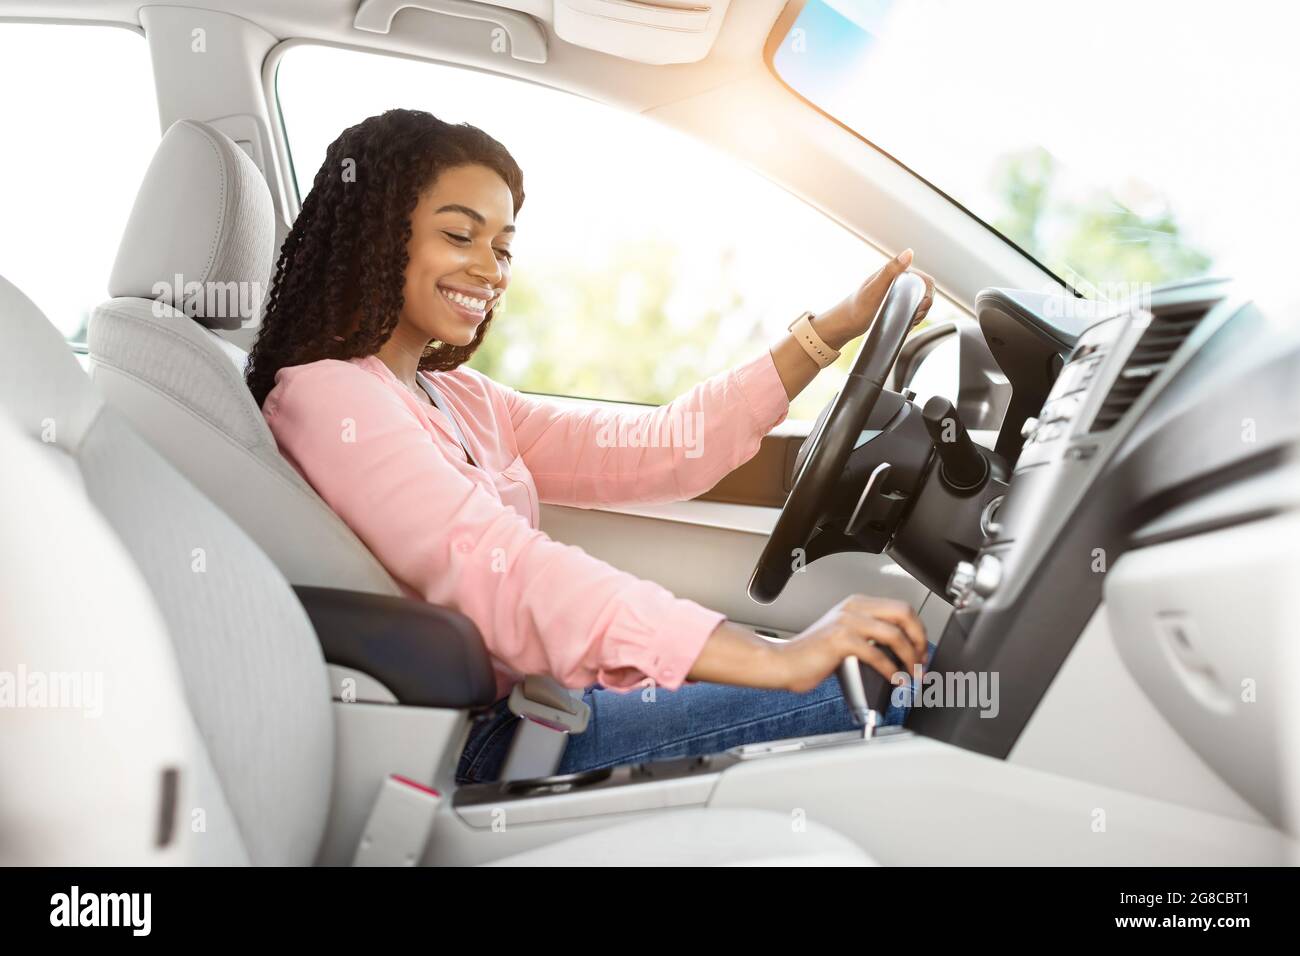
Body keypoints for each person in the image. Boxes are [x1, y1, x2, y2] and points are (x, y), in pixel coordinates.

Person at [246, 109, 937, 785]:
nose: (491, 270)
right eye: (461, 235)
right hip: (479, 742)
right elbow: (503, 572)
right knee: (892, 685)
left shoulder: (460, 398)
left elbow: (665, 446)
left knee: (891, 676)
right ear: (376, 237)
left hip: (539, 710)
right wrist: (770, 658)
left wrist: (830, 332)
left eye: (504, 247)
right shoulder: (329, 397)